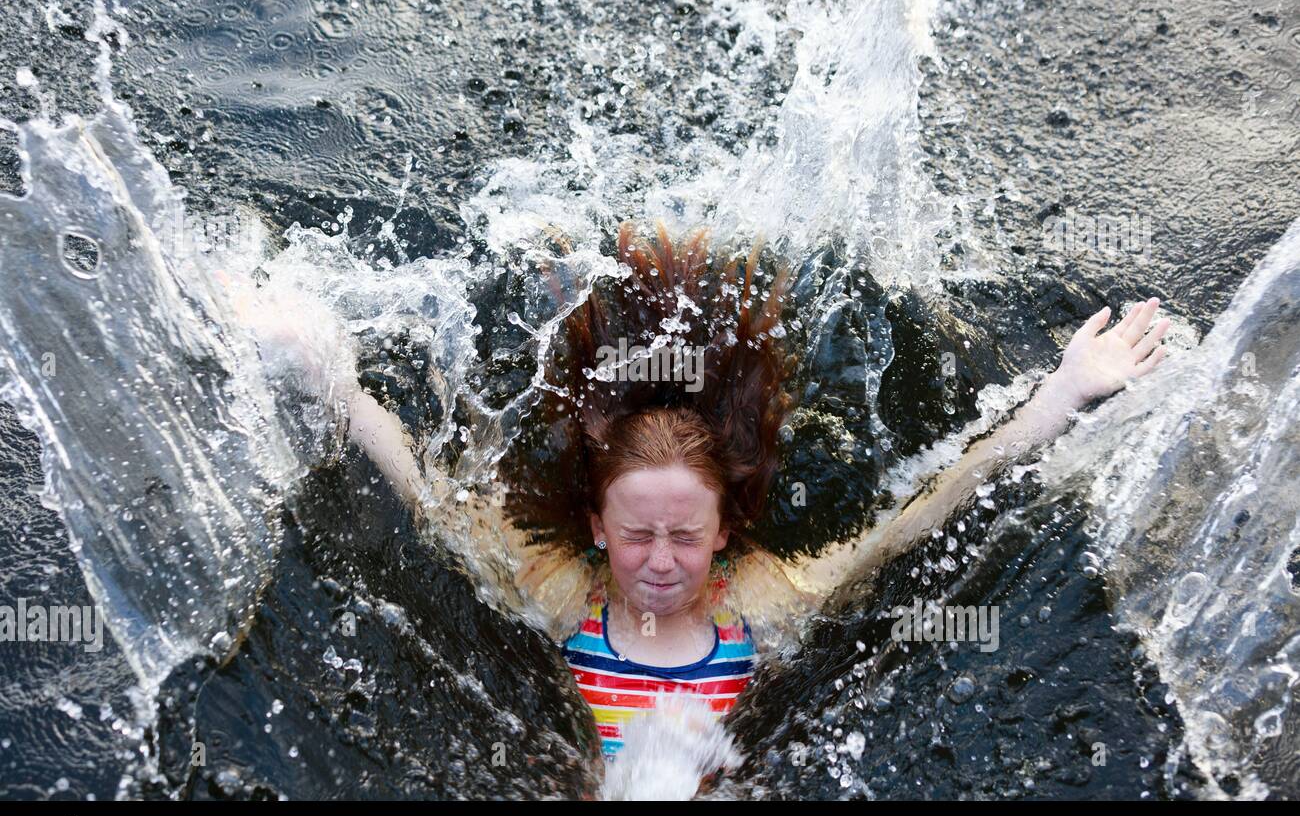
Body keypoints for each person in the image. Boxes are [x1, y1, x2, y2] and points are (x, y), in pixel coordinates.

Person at [219, 219, 1170, 767]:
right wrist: (326, 376)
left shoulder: (765, 610)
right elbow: (432, 501)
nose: (661, 563)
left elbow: (925, 513)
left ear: (724, 532)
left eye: (685, 535)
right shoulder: (562, 599)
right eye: (637, 536)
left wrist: (1063, 396)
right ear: (597, 525)